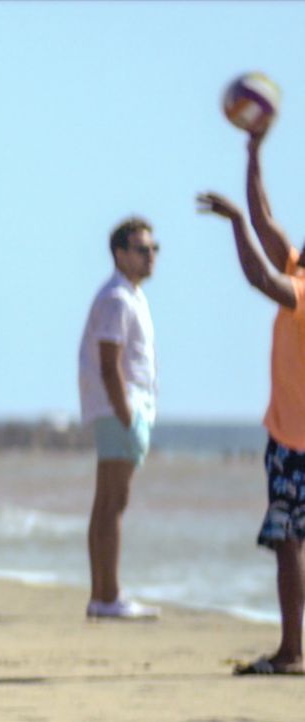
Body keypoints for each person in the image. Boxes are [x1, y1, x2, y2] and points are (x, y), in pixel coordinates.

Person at [200, 124, 305, 674]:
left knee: (290, 542)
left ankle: (292, 651)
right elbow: (266, 220)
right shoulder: (300, 270)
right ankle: (293, 648)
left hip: (297, 445)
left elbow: (258, 277)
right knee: (290, 542)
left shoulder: (302, 290)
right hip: (287, 437)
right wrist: (253, 152)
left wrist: (235, 225)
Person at [77, 217, 162, 621]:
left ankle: (103, 592)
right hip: (119, 409)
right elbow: (109, 362)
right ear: (120, 254)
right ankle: (107, 594)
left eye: (153, 249)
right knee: (113, 501)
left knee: (109, 502)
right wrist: (127, 415)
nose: (151, 257)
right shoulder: (116, 298)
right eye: (143, 249)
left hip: (125, 408)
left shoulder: (130, 295)